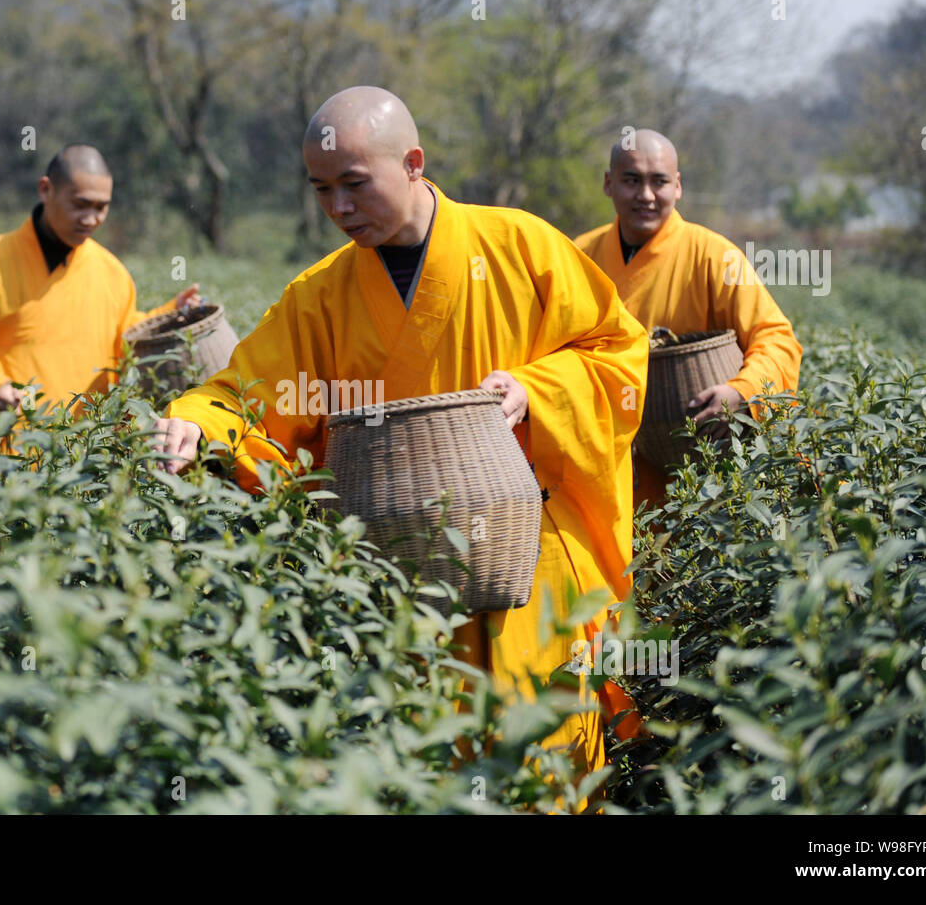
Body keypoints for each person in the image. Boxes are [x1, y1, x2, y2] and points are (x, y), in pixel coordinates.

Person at [153, 87, 647, 796]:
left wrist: (539, 388)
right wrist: (198, 421)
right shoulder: (319, 295)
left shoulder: (521, 245)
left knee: (547, 765)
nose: (339, 208)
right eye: (322, 190)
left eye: (355, 185)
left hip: (527, 556)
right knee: (423, 766)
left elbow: (617, 351)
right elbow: (244, 393)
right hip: (397, 574)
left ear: (413, 163)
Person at [575, 129, 804, 512]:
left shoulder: (713, 256)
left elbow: (777, 338)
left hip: (698, 470)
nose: (646, 195)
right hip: (603, 460)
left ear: (677, 186)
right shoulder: (578, 256)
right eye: (631, 180)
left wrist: (743, 391)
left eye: (659, 181)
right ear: (608, 183)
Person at [0, 143, 200, 425]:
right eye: (80, 204)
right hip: (10, 450)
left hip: (88, 452)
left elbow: (126, 342)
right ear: (46, 189)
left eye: (101, 207)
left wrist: (170, 316)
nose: (91, 219)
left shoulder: (113, 273)